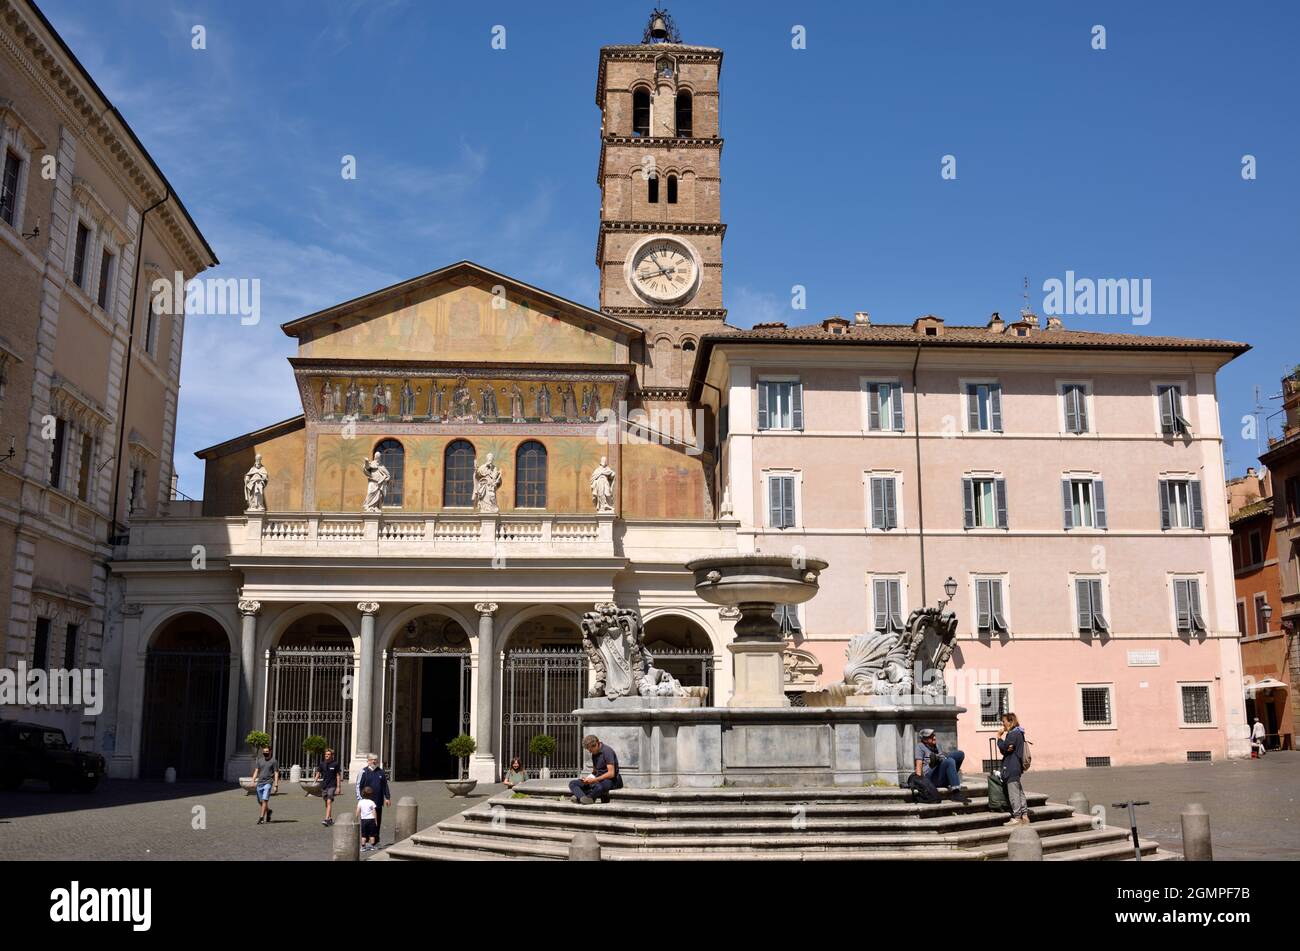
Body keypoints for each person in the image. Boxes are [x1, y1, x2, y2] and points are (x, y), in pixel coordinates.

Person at [914, 728, 970, 804]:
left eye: (934, 735)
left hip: (940, 776)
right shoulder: (920, 746)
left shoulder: (937, 746)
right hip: (930, 778)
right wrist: (919, 781)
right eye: (931, 736)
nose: (934, 737)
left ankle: (939, 759)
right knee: (949, 761)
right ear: (925, 740)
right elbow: (918, 764)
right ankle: (956, 793)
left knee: (960, 754)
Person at [569, 735, 622, 804]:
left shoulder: (607, 751)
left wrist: (594, 780)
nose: (590, 752)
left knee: (599, 786)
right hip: (597, 779)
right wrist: (588, 778)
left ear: (596, 744)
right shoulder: (594, 753)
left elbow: (611, 774)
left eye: (590, 749)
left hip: (610, 780)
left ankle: (582, 797)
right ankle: (585, 798)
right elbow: (595, 771)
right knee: (573, 783)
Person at [996, 712, 1030, 826]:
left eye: (1004, 722)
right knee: (1019, 791)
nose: (1003, 724)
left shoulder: (1012, 734)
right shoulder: (1019, 733)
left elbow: (1005, 748)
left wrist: (999, 738)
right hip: (1017, 766)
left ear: (1010, 721)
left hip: (1011, 765)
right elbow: (1008, 748)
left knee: (1013, 793)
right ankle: (1024, 815)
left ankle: (1017, 817)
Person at [355, 754, 392, 845]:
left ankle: (376, 838)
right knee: (366, 820)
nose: (374, 761)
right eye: (372, 760)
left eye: (376, 760)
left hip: (378, 801)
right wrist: (360, 799)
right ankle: (366, 838)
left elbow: (385, 786)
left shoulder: (381, 772)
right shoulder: (363, 772)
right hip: (366, 803)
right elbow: (358, 786)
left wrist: (387, 797)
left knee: (377, 820)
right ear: (368, 761)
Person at [251, 745, 279, 825]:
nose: (265, 753)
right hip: (260, 783)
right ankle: (269, 811)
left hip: (268, 783)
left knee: (264, 800)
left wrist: (276, 785)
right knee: (260, 801)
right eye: (264, 752)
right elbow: (256, 771)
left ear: (270, 751)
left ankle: (261, 818)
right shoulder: (260, 760)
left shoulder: (274, 761)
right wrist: (253, 780)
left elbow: (276, 773)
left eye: (266, 752)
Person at [315, 748, 342, 826]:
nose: (327, 756)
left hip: (332, 785)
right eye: (326, 754)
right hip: (324, 785)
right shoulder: (322, 764)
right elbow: (318, 772)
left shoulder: (335, 764)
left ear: (332, 755)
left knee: (329, 801)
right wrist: (315, 780)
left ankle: (326, 819)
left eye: (328, 754)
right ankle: (330, 818)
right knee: (326, 803)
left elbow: (338, 775)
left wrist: (338, 787)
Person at [357, 787, 379, 853]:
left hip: (363, 820)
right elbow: (374, 812)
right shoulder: (372, 802)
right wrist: (376, 820)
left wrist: (356, 817)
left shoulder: (360, 802)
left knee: (363, 834)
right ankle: (372, 846)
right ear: (371, 795)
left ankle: (363, 847)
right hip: (371, 819)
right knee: (372, 834)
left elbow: (358, 811)